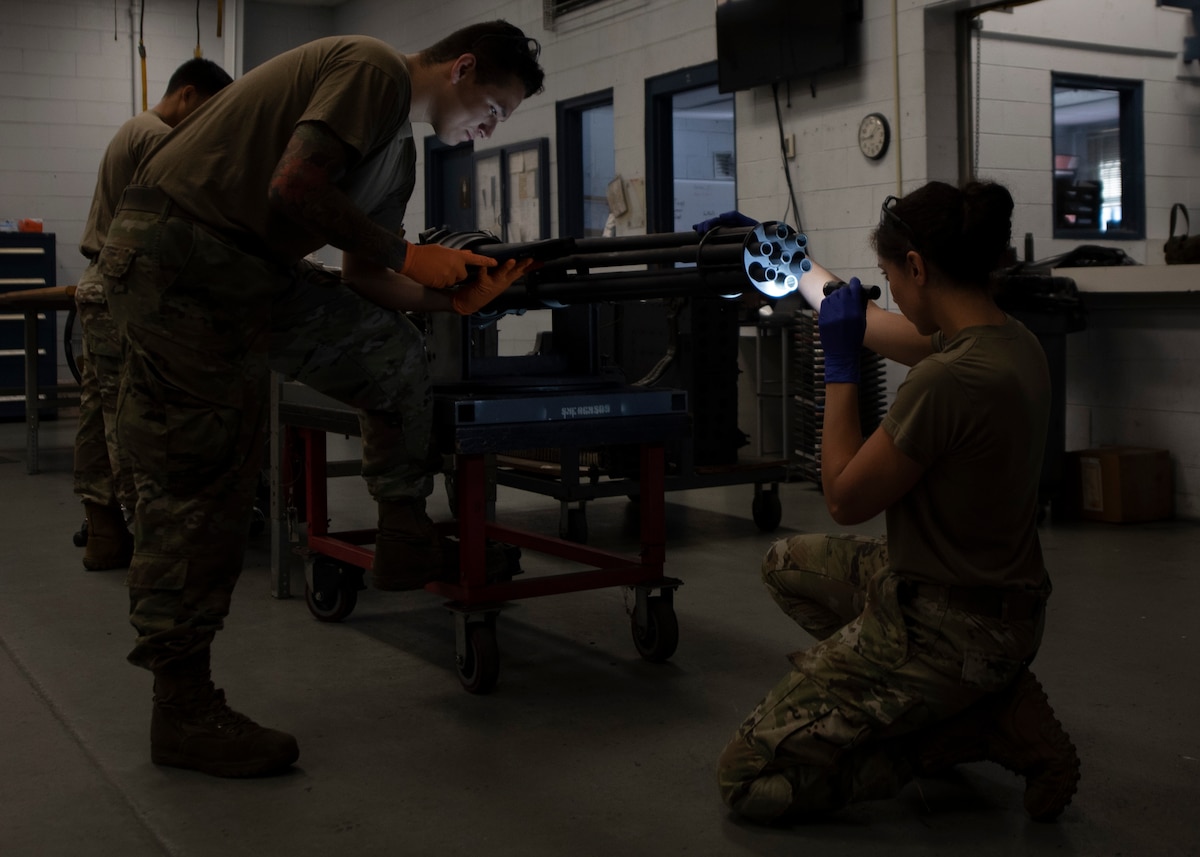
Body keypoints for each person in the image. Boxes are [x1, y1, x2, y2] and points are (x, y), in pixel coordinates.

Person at [97, 22, 545, 778]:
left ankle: (402, 519)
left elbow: (369, 283)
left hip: (240, 272)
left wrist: (455, 301)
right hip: (183, 260)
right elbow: (293, 187)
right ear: (462, 68)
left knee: (391, 348)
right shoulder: (372, 69)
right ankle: (181, 707)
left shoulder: (394, 149)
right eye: (492, 111)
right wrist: (409, 253)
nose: (482, 133)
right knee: (201, 487)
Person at [716, 181, 1081, 824]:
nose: (891, 291)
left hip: (947, 625)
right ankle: (968, 697)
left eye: (890, 275)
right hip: (993, 600)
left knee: (747, 779)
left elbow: (843, 497)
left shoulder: (946, 382)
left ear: (917, 267)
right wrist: (795, 265)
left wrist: (839, 367)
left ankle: (953, 732)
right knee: (785, 562)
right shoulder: (1009, 343)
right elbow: (878, 325)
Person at [73, 58, 234, 572]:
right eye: (209, 112)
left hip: (100, 284)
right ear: (186, 95)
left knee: (99, 414)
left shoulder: (133, 130)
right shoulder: (156, 136)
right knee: (131, 417)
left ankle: (104, 533)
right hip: (122, 289)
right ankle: (151, 544)